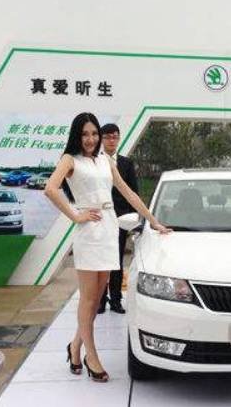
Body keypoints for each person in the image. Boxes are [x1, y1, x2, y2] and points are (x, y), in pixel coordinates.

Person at [44, 112, 170, 382]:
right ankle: (91, 356)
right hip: (89, 232)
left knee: (96, 298)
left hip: (109, 228)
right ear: (77, 136)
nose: (90, 139)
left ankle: (75, 347)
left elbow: (128, 192)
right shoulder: (70, 159)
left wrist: (154, 221)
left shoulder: (105, 160)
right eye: (85, 134)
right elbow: (50, 188)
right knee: (89, 300)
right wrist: (76, 215)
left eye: (94, 134)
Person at [97, 123, 137, 315]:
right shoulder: (93, 162)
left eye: (115, 136)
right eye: (107, 137)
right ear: (101, 139)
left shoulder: (126, 164)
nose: (111, 140)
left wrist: (132, 220)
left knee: (116, 261)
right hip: (98, 220)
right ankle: (99, 301)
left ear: (119, 139)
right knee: (99, 261)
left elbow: (133, 193)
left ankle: (115, 300)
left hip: (119, 221)